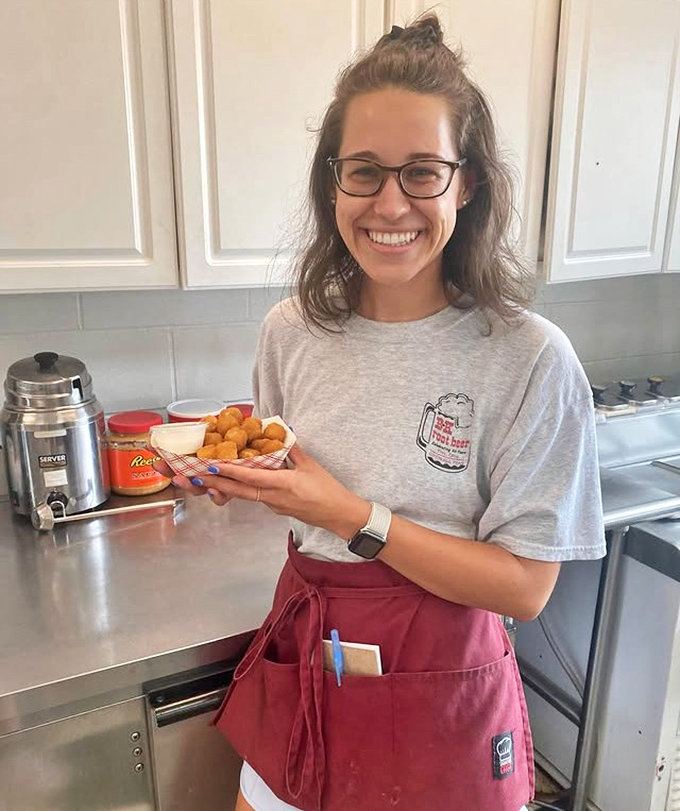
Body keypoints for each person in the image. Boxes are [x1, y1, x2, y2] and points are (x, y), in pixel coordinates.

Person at [159, 16, 605, 811]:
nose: (389, 202)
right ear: (332, 183)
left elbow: (527, 587)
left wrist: (354, 514)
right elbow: (291, 478)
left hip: (446, 696)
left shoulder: (529, 357)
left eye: (422, 172)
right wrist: (235, 480)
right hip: (311, 662)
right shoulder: (290, 331)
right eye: (363, 172)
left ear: (466, 184)